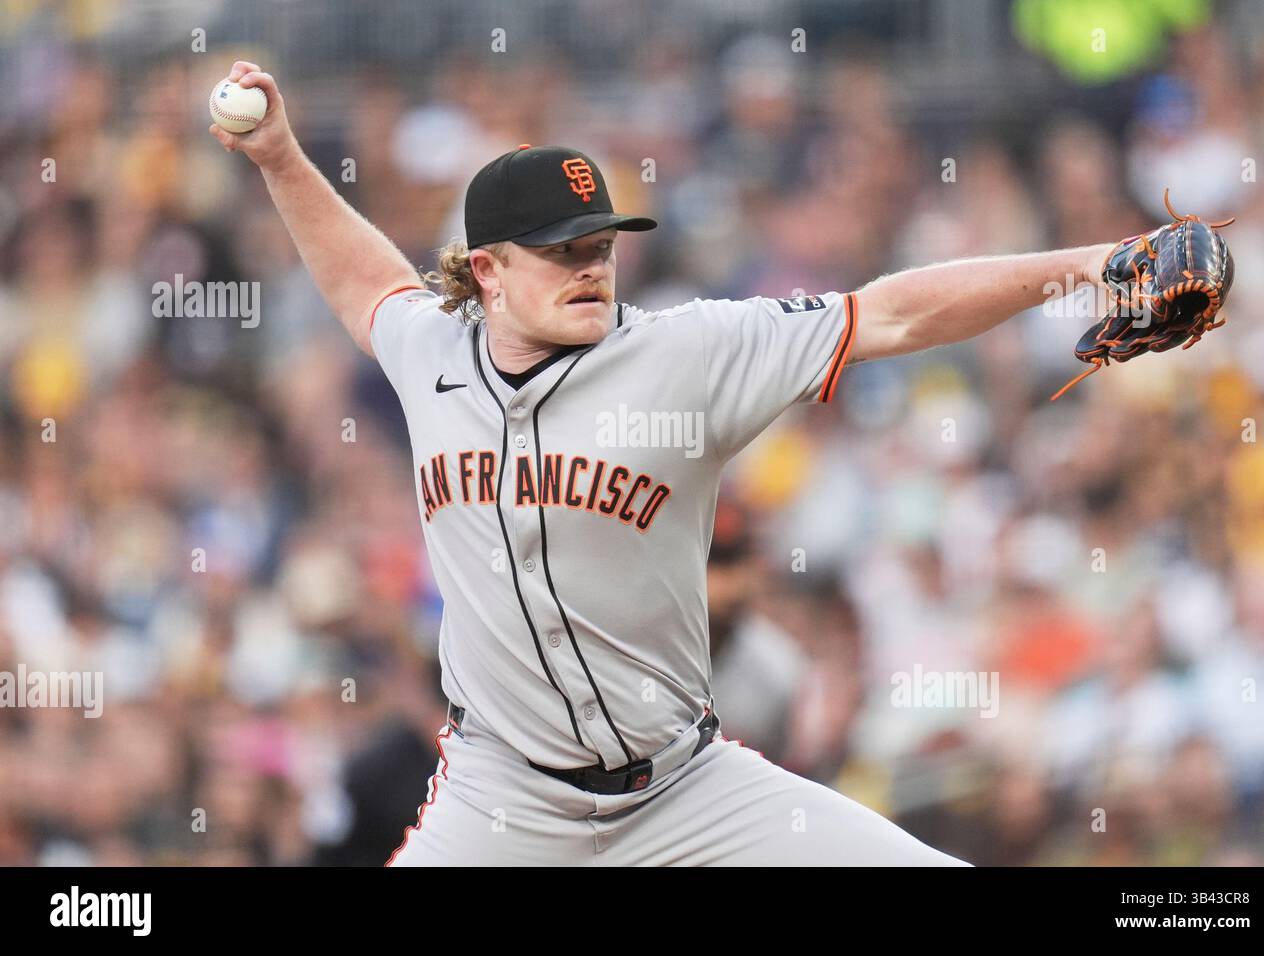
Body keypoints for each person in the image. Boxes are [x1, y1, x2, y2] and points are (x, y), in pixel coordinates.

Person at [212, 60, 1116, 866]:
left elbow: (890, 314)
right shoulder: (432, 353)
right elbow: (365, 281)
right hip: (504, 804)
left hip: (688, 794)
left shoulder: (688, 354)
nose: (592, 267)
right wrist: (283, 159)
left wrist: (1092, 265)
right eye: (561, 251)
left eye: (600, 245)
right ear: (486, 271)